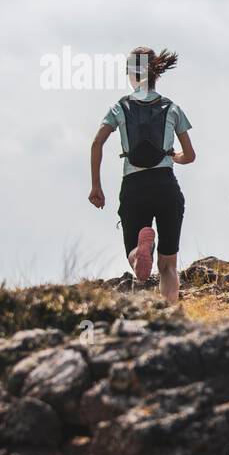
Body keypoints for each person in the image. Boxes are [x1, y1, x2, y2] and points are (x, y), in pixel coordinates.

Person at [88, 47, 195, 303]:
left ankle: (140, 252)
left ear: (130, 75)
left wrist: (96, 187)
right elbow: (190, 155)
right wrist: (173, 156)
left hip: (134, 187)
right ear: (156, 72)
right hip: (165, 186)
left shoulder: (119, 108)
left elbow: (97, 143)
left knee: (134, 254)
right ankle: (170, 314)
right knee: (168, 265)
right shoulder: (172, 108)